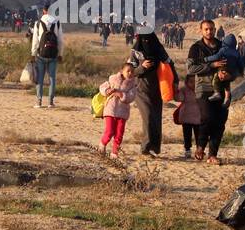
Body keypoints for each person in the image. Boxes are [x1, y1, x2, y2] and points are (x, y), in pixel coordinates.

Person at [186, 19, 235, 163]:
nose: (209, 32)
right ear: (200, 30)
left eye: (211, 29)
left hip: (222, 89)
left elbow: (234, 68)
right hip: (203, 89)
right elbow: (190, 69)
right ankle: (200, 146)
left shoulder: (223, 46)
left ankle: (212, 155)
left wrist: (229, 75)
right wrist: (211, 65)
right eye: (206, 29)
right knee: (207, 117)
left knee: (220, 122)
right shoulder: (196, 48)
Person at [130, 23, 175, 157]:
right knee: (148, 117)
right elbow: (130, 71)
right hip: (141, 90)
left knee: (156, 118)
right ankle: (145, 148)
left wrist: (175, 82)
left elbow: (170, 64)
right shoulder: (135, 51)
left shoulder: (159, 49)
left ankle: (155, 147)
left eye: (148, 38)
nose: (146, 41)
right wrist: (142, 67)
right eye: (143, 38)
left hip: (157, 89)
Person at [98, 62, 139, 157]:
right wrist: (107, 91)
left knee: (119, 134)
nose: (130, 73)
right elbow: (102, 87)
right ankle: (102, 144)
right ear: (122, 71)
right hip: (110, 110)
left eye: (132, 71)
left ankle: (114, 153)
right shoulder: (113, 79)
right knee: (109, 131)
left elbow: (131, 97)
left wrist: (121, 95)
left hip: (123, 113)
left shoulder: (133, 85)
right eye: (128, 71)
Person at [30, 1, 63, 108]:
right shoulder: (57, 22)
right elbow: (60, 40)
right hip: (53, 55)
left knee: (40, 78)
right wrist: (60, 54)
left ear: (44, 10)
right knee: (52, 78)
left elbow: (35, 40)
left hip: (41, 55)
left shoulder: (38, 23)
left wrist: (33, 53)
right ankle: (50, 102)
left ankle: (39, 102)